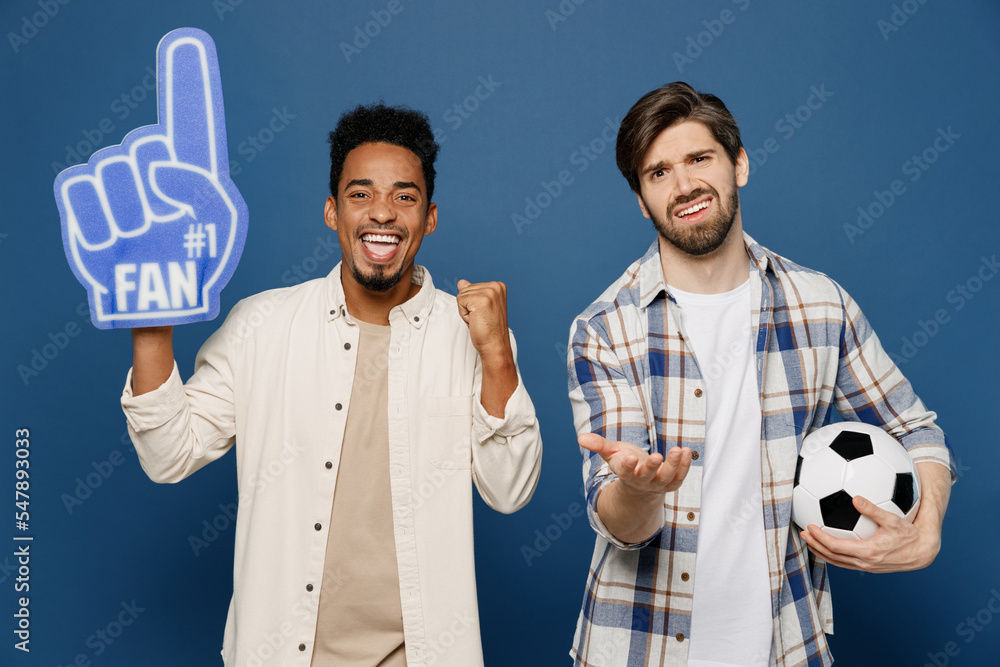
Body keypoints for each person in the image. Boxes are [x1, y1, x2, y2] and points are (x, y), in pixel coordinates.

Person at [121, 103, 543, 666]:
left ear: (431, 216)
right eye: (361, 194)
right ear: (332, 211)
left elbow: (510, 489)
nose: (383, 214)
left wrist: (495, 353)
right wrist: (150, 317)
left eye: (405, 196)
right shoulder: (260, 326)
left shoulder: (472, 335)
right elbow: (167, 455)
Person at [566, 82, 955, 667]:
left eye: (700, 159)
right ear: (642, 202)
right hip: (637, 650)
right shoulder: (603, 329)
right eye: (658, 173)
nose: (685, 185)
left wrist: (926, 533)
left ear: (739, 164)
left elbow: (917, 430)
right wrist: (638, 492)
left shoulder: (821, 305)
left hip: (787, 645)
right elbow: (621, 524)